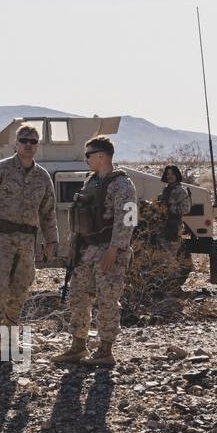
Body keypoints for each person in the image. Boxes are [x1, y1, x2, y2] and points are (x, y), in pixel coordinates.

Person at [52, 135, 139, 367]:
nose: (86, 159)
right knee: (78, 296)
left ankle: (105, 350)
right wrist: (73, 249)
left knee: (108, 299)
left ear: (101, 156)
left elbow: (128, 219)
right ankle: (78, 346)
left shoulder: (122, 184)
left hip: (108, 251)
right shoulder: (91, 182)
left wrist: (116, 248)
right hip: (85, 250)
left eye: (88, 155)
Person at [0, 123, 58, 333]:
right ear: (15, 144)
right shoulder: (1, 169)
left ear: (37, 146)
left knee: (20, 291)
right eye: (24, 141)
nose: (28, 145)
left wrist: (51, 241)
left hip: (27, 242)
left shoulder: (42, 177)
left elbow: (47, 213)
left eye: (33, 141)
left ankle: (8, 338)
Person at [158, 164, 190, 248]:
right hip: (163, 227)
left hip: (174, 228)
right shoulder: (166, 189)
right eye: (168, 174)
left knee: (170, 257)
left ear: (176, 175)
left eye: (172, 174)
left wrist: (170, 208)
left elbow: (186, 209)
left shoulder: (181, 191)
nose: (170, 176)